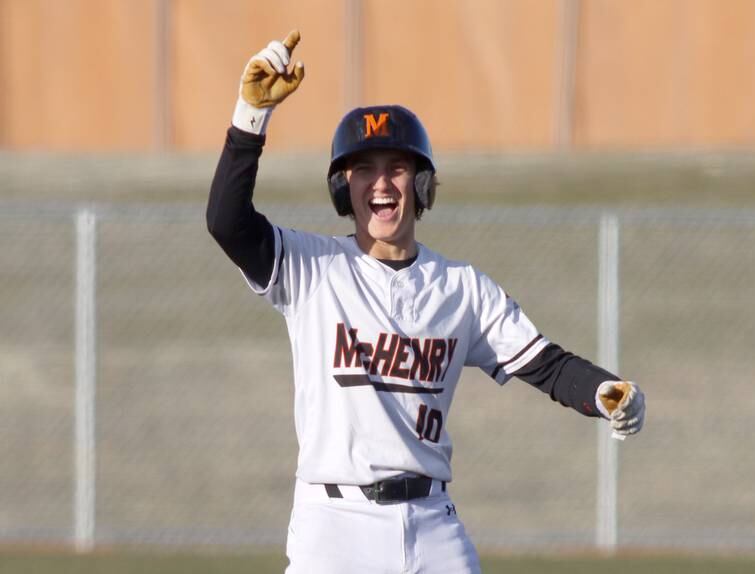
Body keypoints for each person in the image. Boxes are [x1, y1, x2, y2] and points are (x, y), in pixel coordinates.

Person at [207, 30, 645, 574]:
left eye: (396, 167)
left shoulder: (462, 288)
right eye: (363, 168)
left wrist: (603, 388)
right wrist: (250, 118)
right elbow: (227, 222)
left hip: (433, 519)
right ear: (344, 188)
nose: (381, 182)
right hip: (334, 526)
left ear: (422, 184)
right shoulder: (311, 267)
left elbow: (546, 365)